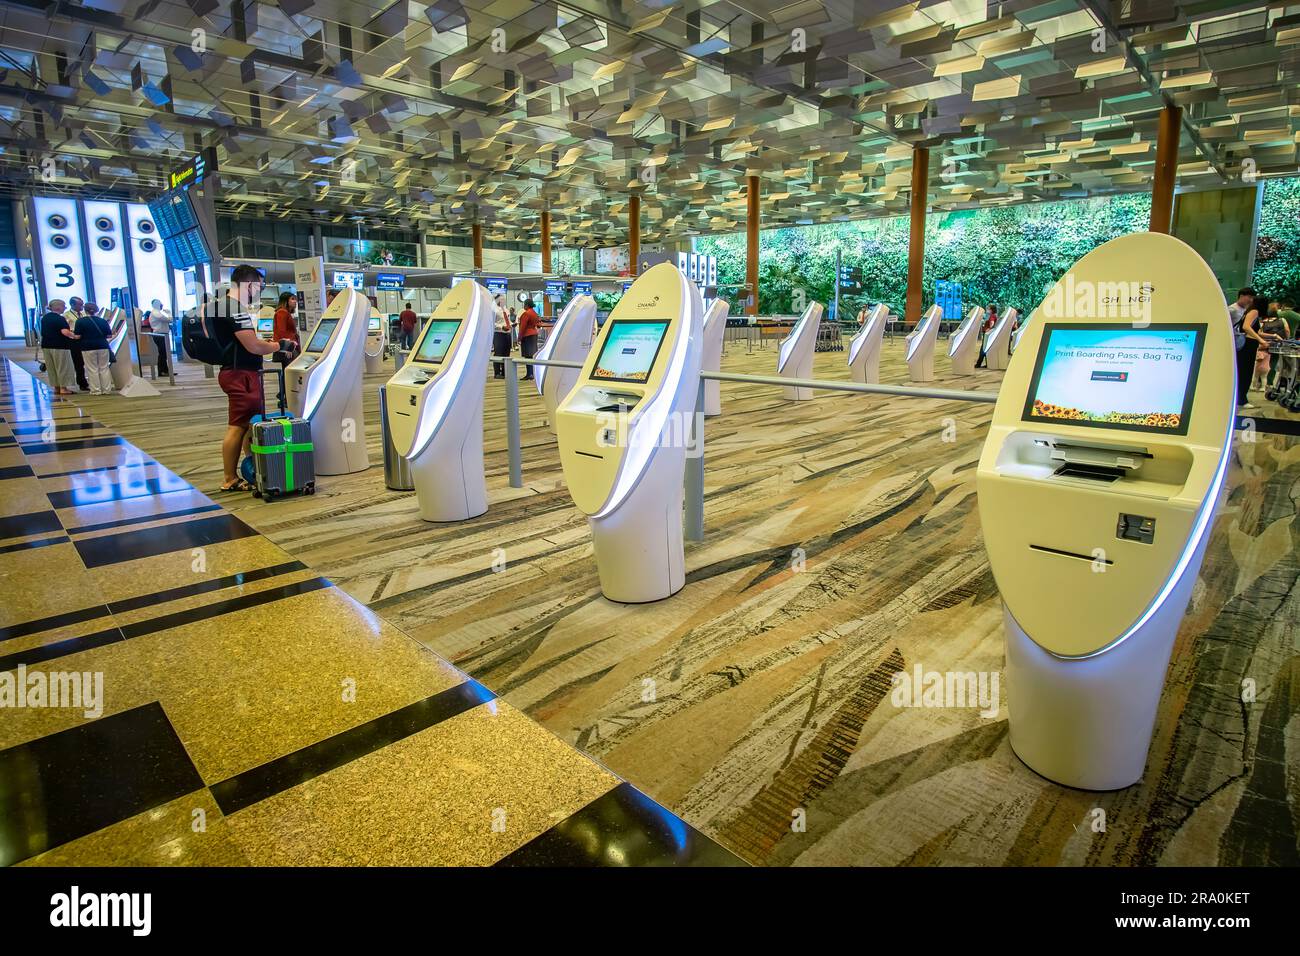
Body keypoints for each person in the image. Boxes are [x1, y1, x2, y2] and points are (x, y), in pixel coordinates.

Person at [213, 265, 295, 492]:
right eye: (259, 286)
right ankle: (229, 479)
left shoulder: (224, 305)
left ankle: (255, 466)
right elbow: (253, 345)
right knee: (237, 426)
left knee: (249, 423)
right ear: (249, 284)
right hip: (241, 375)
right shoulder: (234, 308)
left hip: (237, 373)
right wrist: (280, 345)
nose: (260, 290)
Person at [1235, 293, 1269, 409]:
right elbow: (1246, 327)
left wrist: (1272, 336)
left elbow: (1252, 330)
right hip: (1248, 345)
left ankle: (1240, 398)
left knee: (1243, 371)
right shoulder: (1255, 311)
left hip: (1247, 345)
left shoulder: (1250, 311)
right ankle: (1242, 400)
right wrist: (1261, 340)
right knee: (1246, 372)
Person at [72, 306, 114, 395]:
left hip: (87, 347)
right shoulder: (102, 321)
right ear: (96, 311)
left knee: (92, 369)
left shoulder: (80, 321)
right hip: (103, 346)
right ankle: (106, 389)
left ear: (85, 310)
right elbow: (109, 335)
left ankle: (96, 390)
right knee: (104, 368)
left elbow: (78, 336)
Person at [39, 298, 77, 395]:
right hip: (59, 345)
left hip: (46, 345)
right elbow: (64, 332)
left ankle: (56, 387)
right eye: (64, 306)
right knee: (62, 367)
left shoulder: (45, 318)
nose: (65, 308)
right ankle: (63, 388)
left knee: (52, 367)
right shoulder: (60, 319)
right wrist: (75, 336)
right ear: (59, 307)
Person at [1255, 302, 1291, 391]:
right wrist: (1286, 339)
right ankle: (1269, 383)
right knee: (1273, 364)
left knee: (1262, 364)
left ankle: (1259, 383)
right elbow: (1287, 330)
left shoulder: (1263, 321)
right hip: (1278, 344)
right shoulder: (1282, 320)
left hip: (1265, 345)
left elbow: (1259, 333)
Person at [63, 296, 91, 391]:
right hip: (74, 341)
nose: (82, 306)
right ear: (72, 305)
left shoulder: (84, 314)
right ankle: (82, 382)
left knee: (88, 361)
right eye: (80, 304)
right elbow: (66, 329)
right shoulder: (66, 315)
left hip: (85, 339)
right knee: (78, 363)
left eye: (82, 304)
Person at [145, 298, 172, 375]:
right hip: (160, 335)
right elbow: (169, 320)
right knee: (163, 353)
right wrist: (169, 313)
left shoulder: (156, 312)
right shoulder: (156, 313)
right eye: (160, 303)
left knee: (164, 353)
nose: (161, 304)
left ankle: (165, 371)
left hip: (162, 335)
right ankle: (162, 371)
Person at [517, 298, 541, 380]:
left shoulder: (526, 314)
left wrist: (519, 338)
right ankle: (532, 373)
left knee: (527, 356)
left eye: (524, 304)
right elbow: (538, 323)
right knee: (532, 355)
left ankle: (529, 374)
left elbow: (522, 327)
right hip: (534, 334)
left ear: (526, 305)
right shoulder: (534, 313)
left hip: (527, 336)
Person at [492, 301, 513, 378]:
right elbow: (491, 322)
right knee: (498, 353)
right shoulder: (493, 310)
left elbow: (507, 320)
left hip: (507, 333)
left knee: (506, 353)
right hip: (498, 333)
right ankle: (497, 373)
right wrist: (501, 327)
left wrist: (512, 324)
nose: (502, 301)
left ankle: (505, 372)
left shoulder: (506, 310)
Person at [975, 305, 998, 369]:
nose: (987, 310)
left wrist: (989, 329)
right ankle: (988, 363)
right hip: (989, 335)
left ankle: (978, 364)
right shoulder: (995, 315)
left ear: (992, 310)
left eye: (988, 309)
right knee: (986, 349)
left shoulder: (992, 316)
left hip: (987, 334)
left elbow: (992, 324)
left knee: (983, 349)